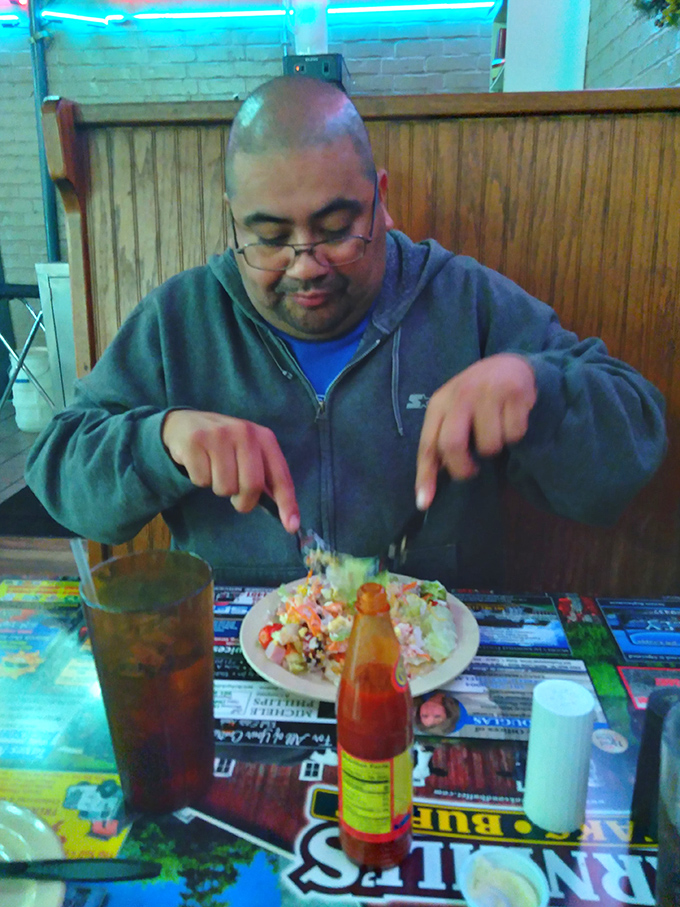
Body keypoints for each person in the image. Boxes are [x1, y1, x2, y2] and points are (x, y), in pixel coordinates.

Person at [25, 76, 667, 589]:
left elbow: (634, 443)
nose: (306, 265)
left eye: (336, 229)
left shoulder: (464, 300)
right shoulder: (181, 318)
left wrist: (537, 388)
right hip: (244, 660)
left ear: (381, 200)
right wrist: (162, 441)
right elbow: (59, 467)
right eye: (269, 238)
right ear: (233, 222)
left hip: (433, 661)